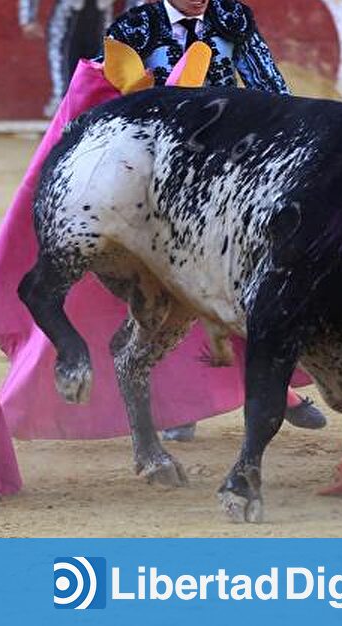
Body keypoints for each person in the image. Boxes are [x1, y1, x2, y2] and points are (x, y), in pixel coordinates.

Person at [103, 0, 303, 441]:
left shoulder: (230, 19)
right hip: (157, 180)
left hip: (226, 168)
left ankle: (270, 383)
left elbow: (271, 90)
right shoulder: (135, 28)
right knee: (171, 290)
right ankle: (179, 404)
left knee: (253, 272)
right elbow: (96, 98)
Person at [106, 0, 289, 93]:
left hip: (224, 134)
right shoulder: (133, 28)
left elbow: (269, 85)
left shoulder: (230, 17)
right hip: (156, 138)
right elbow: (100, 92)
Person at [19, 0, 142, 117]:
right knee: (64, 86)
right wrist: (28, 18)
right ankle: (63, 128)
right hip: (66, 20)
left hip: (100, 21)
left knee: (100, 83)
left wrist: (132, 18)